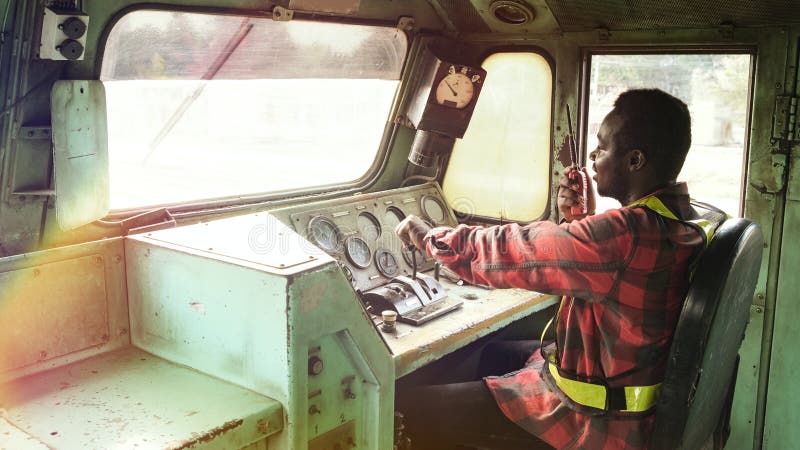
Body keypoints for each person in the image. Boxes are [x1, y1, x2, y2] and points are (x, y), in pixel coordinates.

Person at [394, 89, 726, 450]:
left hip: (591, 422)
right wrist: (581, 222)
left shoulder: (623, 236)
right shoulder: (687, 220)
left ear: (635, 161)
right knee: (493, 355)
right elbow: (618, 266)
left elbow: (520, 249)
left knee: (404, 410)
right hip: (624, 397)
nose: (593, 156)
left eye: (602, 147)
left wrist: (433, 238)